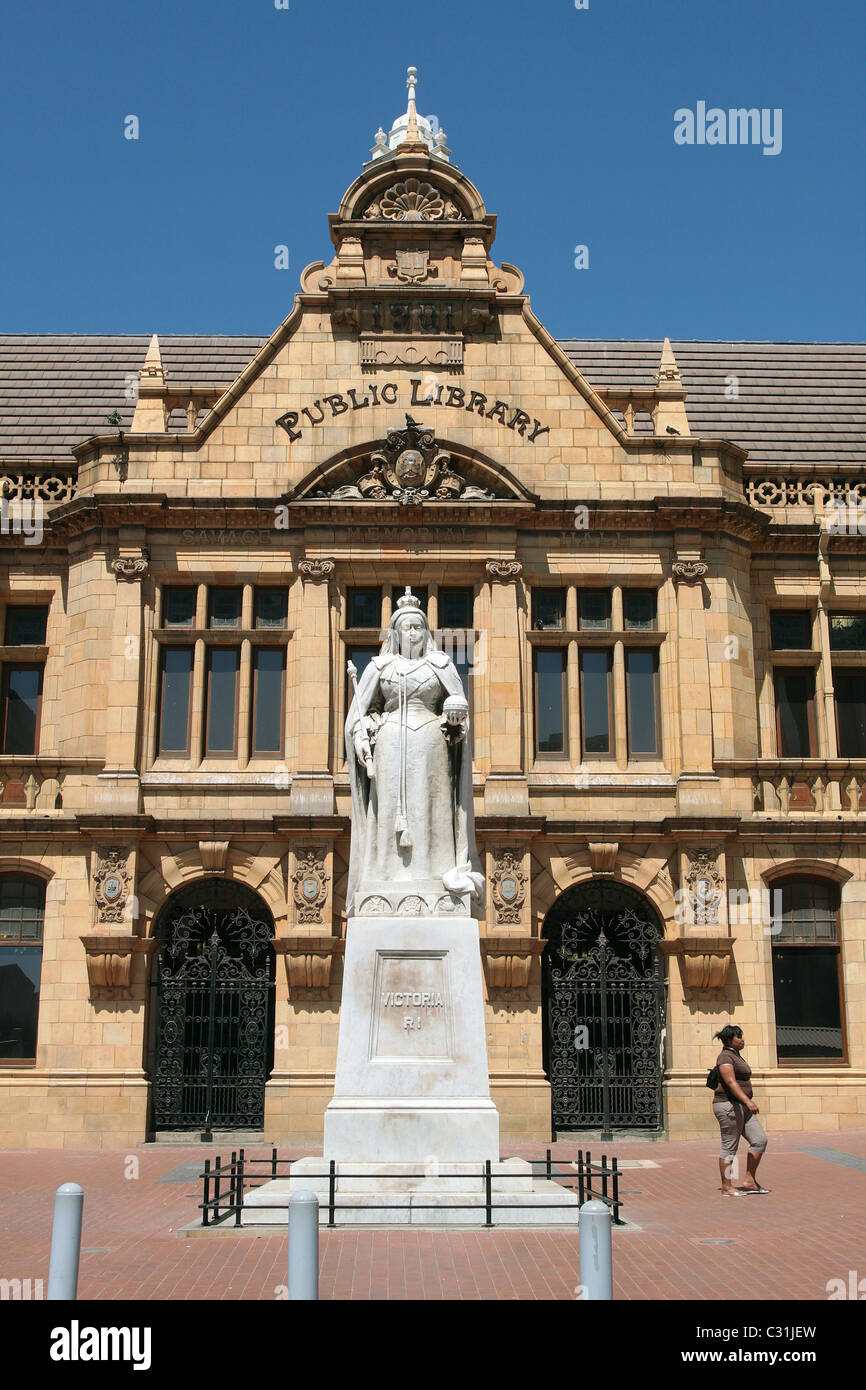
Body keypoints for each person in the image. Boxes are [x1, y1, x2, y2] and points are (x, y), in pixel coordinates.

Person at [344, 587, 484, 918]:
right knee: (389, 810)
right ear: (395, 632)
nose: (414, 633)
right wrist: (360, 740)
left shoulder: (442, 665)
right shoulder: (379, 668)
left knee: (432, 808)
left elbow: (459, 708)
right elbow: (357, 717)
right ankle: (385, 875)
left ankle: (434, 872)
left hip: (432, 748)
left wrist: (456, 715)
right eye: (407, 627)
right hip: (390, 746)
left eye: (419, 627)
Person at [712, 1024, 769, 1195]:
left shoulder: (736, 1055)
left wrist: (745, 1103)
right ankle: (727, 1185)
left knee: (759, 1140)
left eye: (741, 1036)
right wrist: (747, 1101)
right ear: (729, 1039)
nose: (742, 1039)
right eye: (738, 1036)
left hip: (742, 1106)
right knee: (730, 1146)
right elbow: (730, 1082)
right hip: (729, 1105)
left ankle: (750, 1181)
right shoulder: (725, 1057)